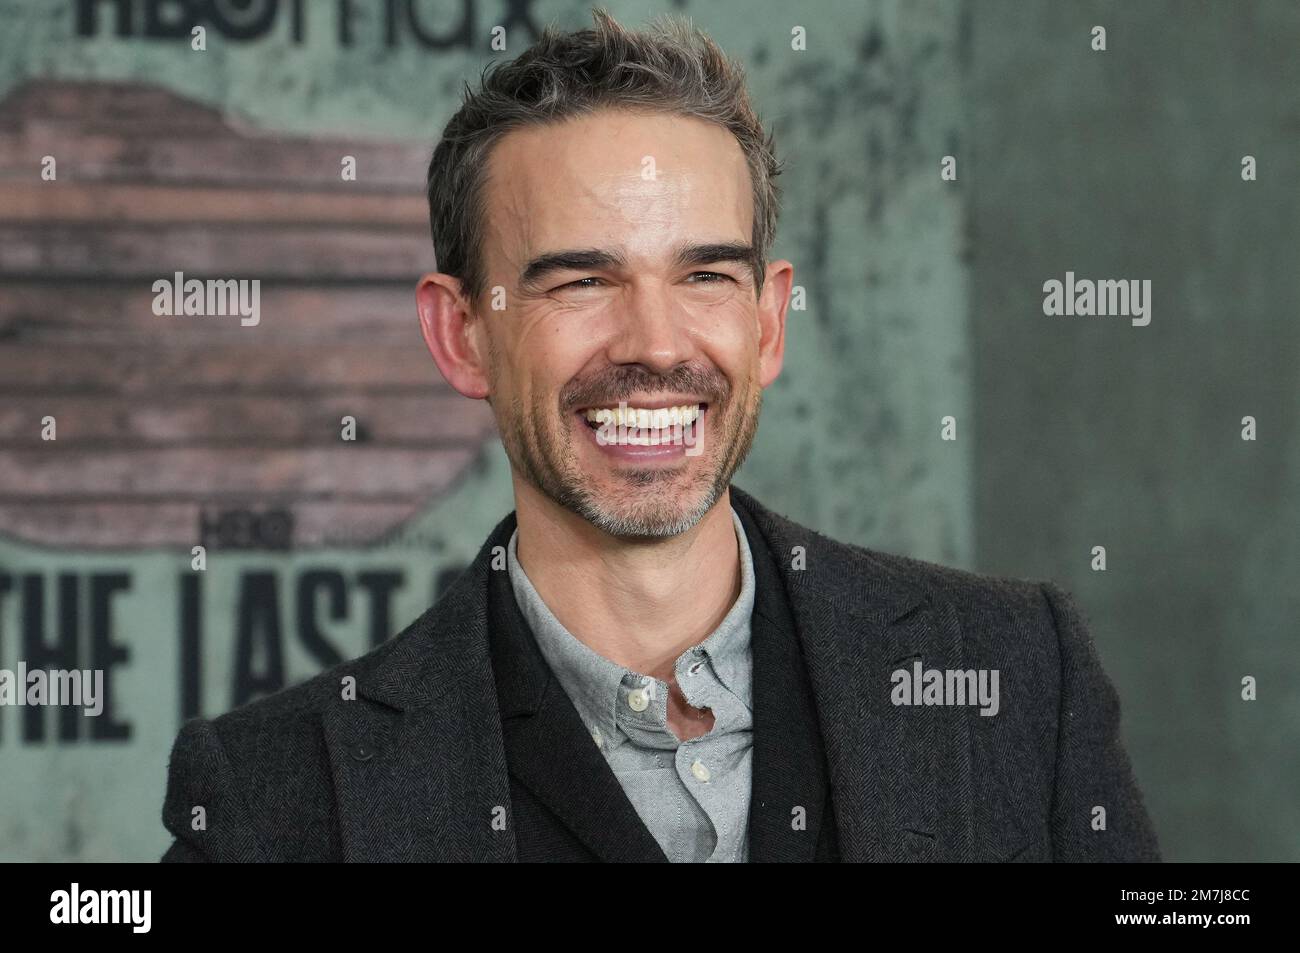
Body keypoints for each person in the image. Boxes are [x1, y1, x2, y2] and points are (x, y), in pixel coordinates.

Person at [160, 8, 1160, 862]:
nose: (655, 344)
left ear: (767, 321)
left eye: (705, 274)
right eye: (582, 279)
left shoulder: (1017, 672)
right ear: (461, 333)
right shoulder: (274, 798)